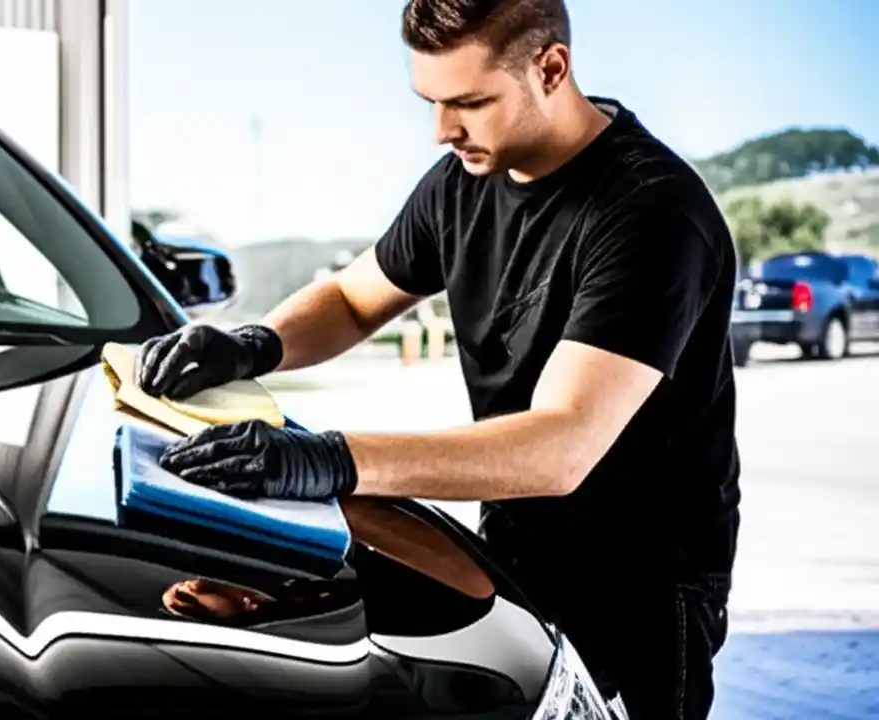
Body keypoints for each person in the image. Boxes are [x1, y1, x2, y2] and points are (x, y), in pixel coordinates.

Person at [135, 0, 740, 718]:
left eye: (470, 103)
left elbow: (561, 445)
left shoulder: (650, 215)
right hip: (515, 543)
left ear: (551, 68)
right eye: (430, 102)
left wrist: (326, 458)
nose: (442, 131)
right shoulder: (464, 181)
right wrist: (254, 344)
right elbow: (354, 300)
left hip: (641, 588)